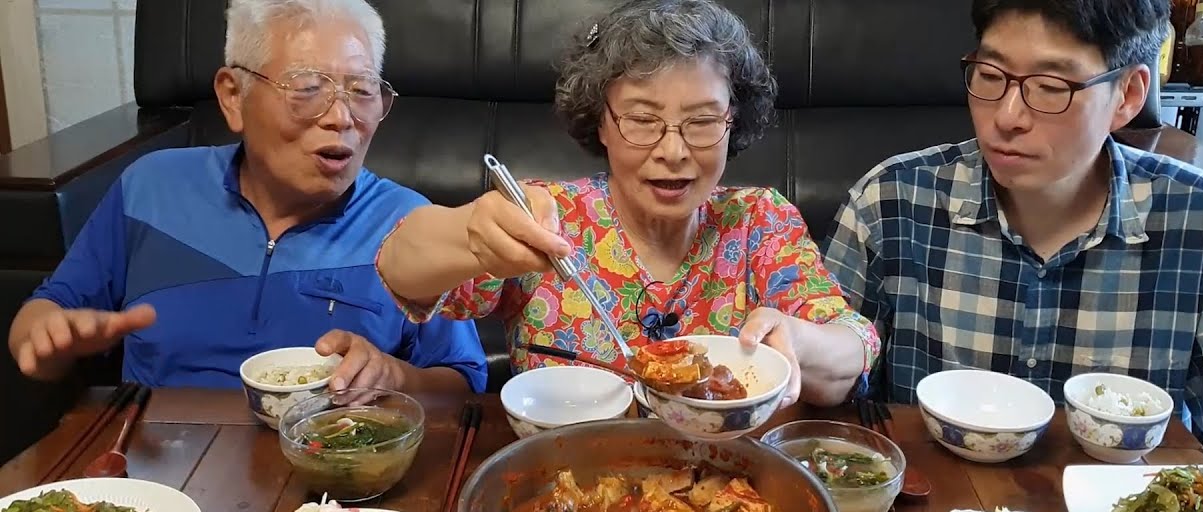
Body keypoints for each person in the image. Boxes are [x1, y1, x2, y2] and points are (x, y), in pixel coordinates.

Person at [824, 0, 1203, 480]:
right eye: (990, 75)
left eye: (1050, 87)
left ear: (1126, 96)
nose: (1008, 116)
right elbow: (823, 410)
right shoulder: (892, 202)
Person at [373, 0, 879, 407]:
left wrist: (798, 340)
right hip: (561, 479)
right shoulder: (545, 215)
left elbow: (851, 349)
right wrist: (470, 237)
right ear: (601, 122)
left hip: (732, 489)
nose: (673, 151)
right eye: (641, 119)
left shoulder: (758, 220)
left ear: (733, 124)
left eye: (702, 121)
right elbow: (400, 266)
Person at [7, 0, 486, 394]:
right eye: (307, 88)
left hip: (335, 483)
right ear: (233, 96)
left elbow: (463, 383)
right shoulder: (150, 188)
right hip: (152, 471)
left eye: (361, 91)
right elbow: (48, 312)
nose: (342, 117)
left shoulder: (411, 224)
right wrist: (46, 340)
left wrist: (393, 377)